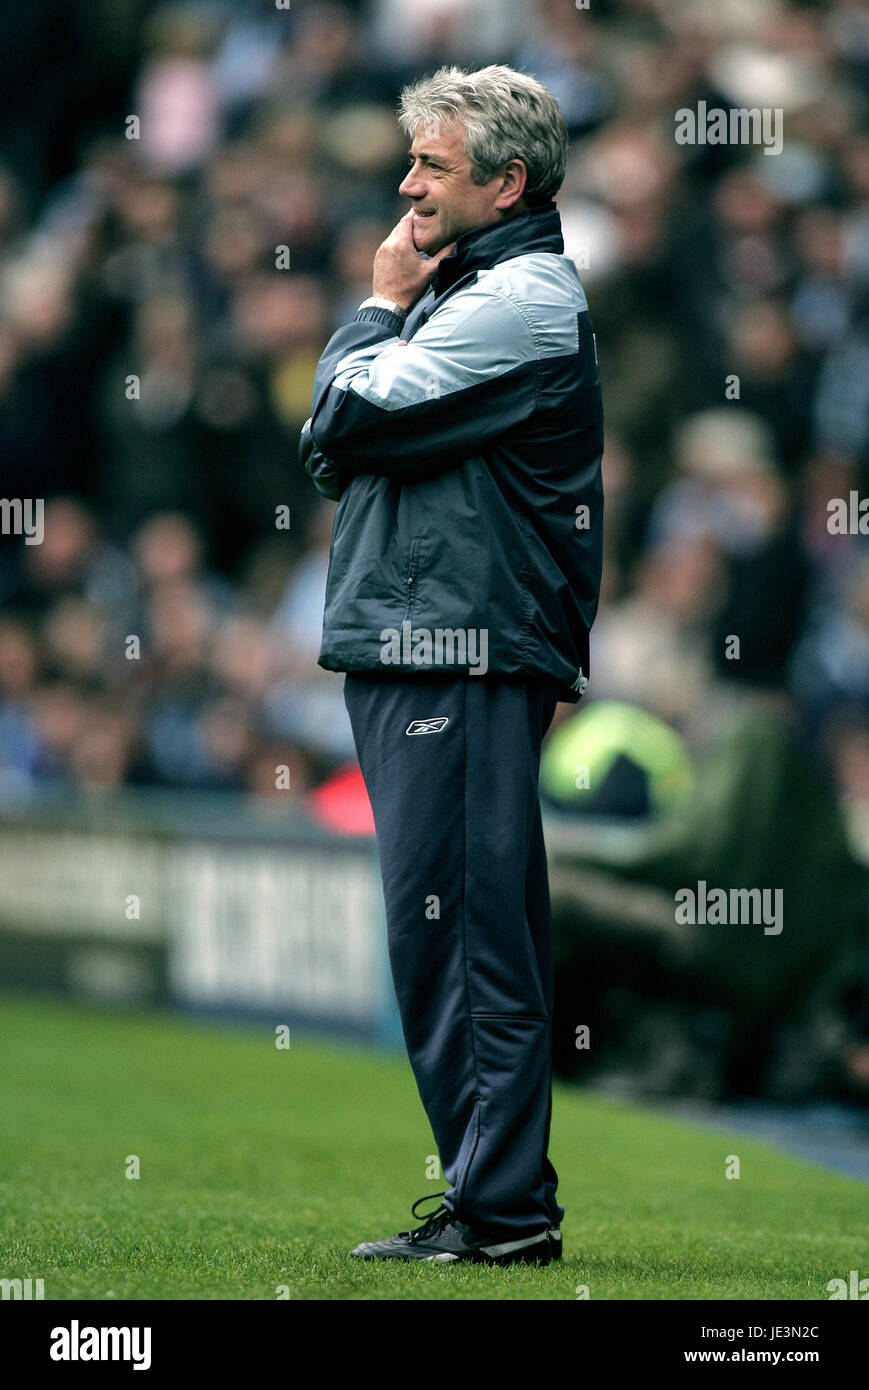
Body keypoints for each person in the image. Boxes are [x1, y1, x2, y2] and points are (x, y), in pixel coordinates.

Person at [300, 63, 603, 1265]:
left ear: (506, 181)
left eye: (431, 164)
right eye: (411, 159)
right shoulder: (467, 287)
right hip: (420, 640)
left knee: (466, 936)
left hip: (461, 647)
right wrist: (375, 342)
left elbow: (345, 422)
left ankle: (503, 1215)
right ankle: (491, 1204)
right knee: (443, 938)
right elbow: (333, 449)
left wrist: (373, 310)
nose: (406, 184)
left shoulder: (521, 295)